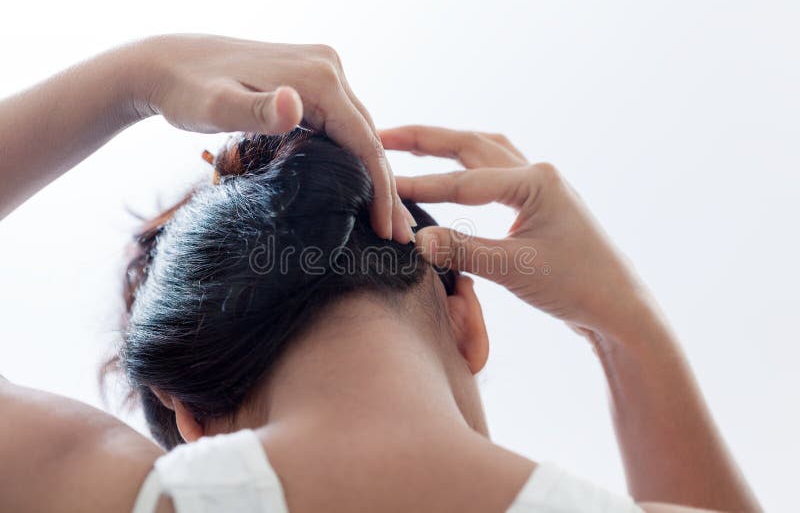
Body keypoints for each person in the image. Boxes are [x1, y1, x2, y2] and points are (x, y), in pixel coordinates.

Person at [0, 35, 760, 513]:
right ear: (466, 316)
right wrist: (624, 326)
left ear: (192, 422)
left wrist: (134, 74)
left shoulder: (119, 495)